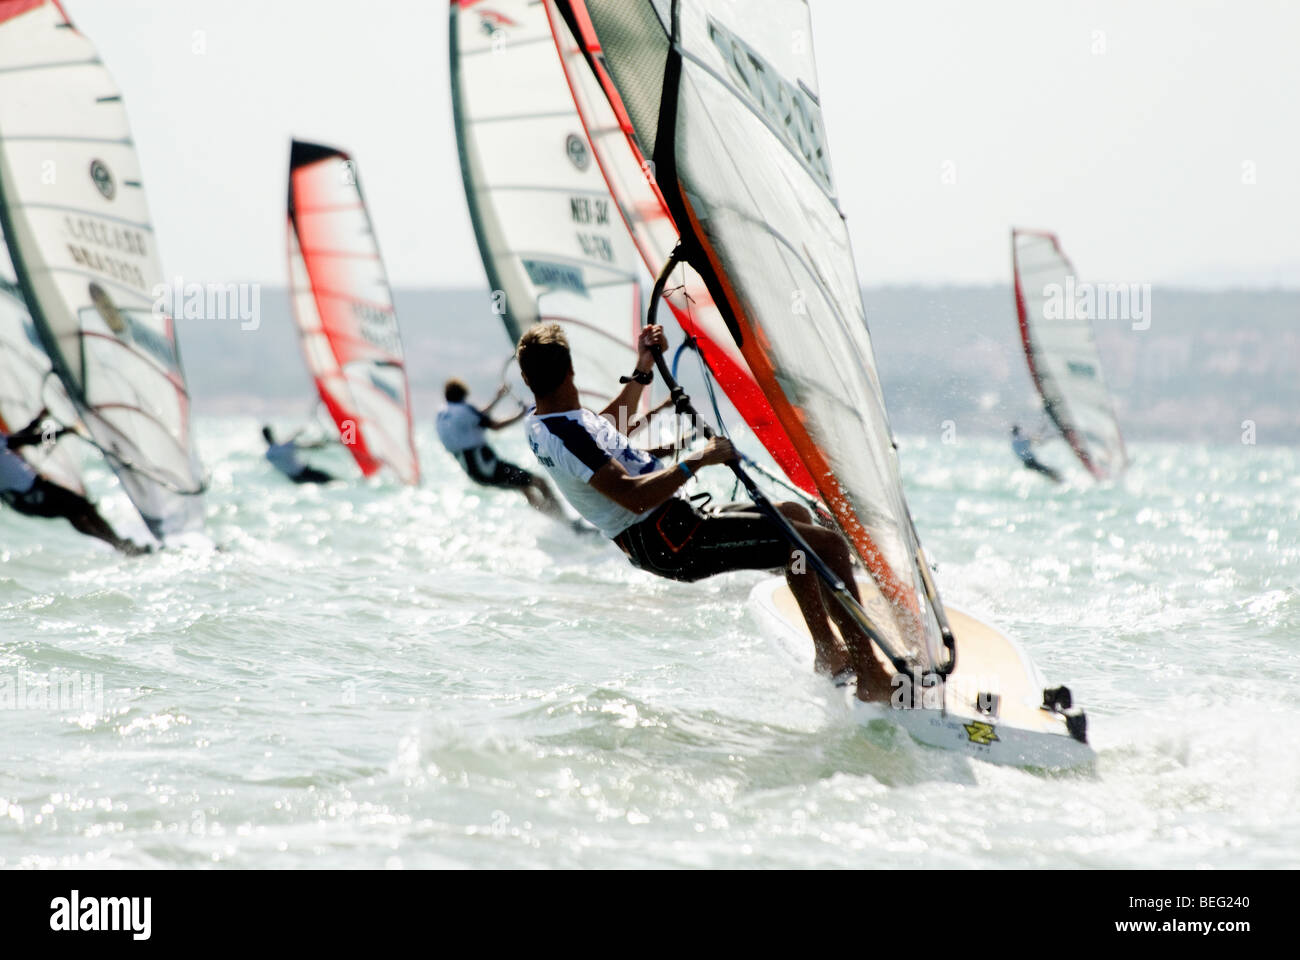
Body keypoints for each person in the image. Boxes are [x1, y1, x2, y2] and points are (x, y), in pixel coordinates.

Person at [516, 322, 894, 701]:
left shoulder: (545, 419)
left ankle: (829, 652)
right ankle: (871, 674)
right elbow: (633, 497)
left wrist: (643, 368)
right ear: (570, 370)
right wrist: (698, 460)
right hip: (668, 538)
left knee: (794, 515)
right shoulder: (567, 436)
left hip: (672, 525)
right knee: (824, 546)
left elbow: (609, 424)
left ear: (527, 378)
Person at [0, 410, 147, 555]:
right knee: (78, 508)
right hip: (27, 495)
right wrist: (63, 432)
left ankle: (120, 545)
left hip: (31, 491)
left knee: (79, 509)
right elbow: (27, 440)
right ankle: (121, 545)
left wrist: (39, 420)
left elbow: (16, 439)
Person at [436, 378, 566, 522]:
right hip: (487, 468)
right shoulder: (464, 411)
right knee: (540, 482)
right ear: (463, 395)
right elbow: (495, 426)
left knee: (525, 489)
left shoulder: (444, 413)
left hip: (476, 473)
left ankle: (558, 522)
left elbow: (478, 415)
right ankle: (565, 521)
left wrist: (498, 398)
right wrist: (521, 414)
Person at [262, 426, 334, 484]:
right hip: (305, 473)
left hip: (294, 480)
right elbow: (306, 446)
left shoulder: (268, 455)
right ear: (271, 434)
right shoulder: (283, 447)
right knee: (333, 482)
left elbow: (283, 445)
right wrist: (321, 444)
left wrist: (295, 434)